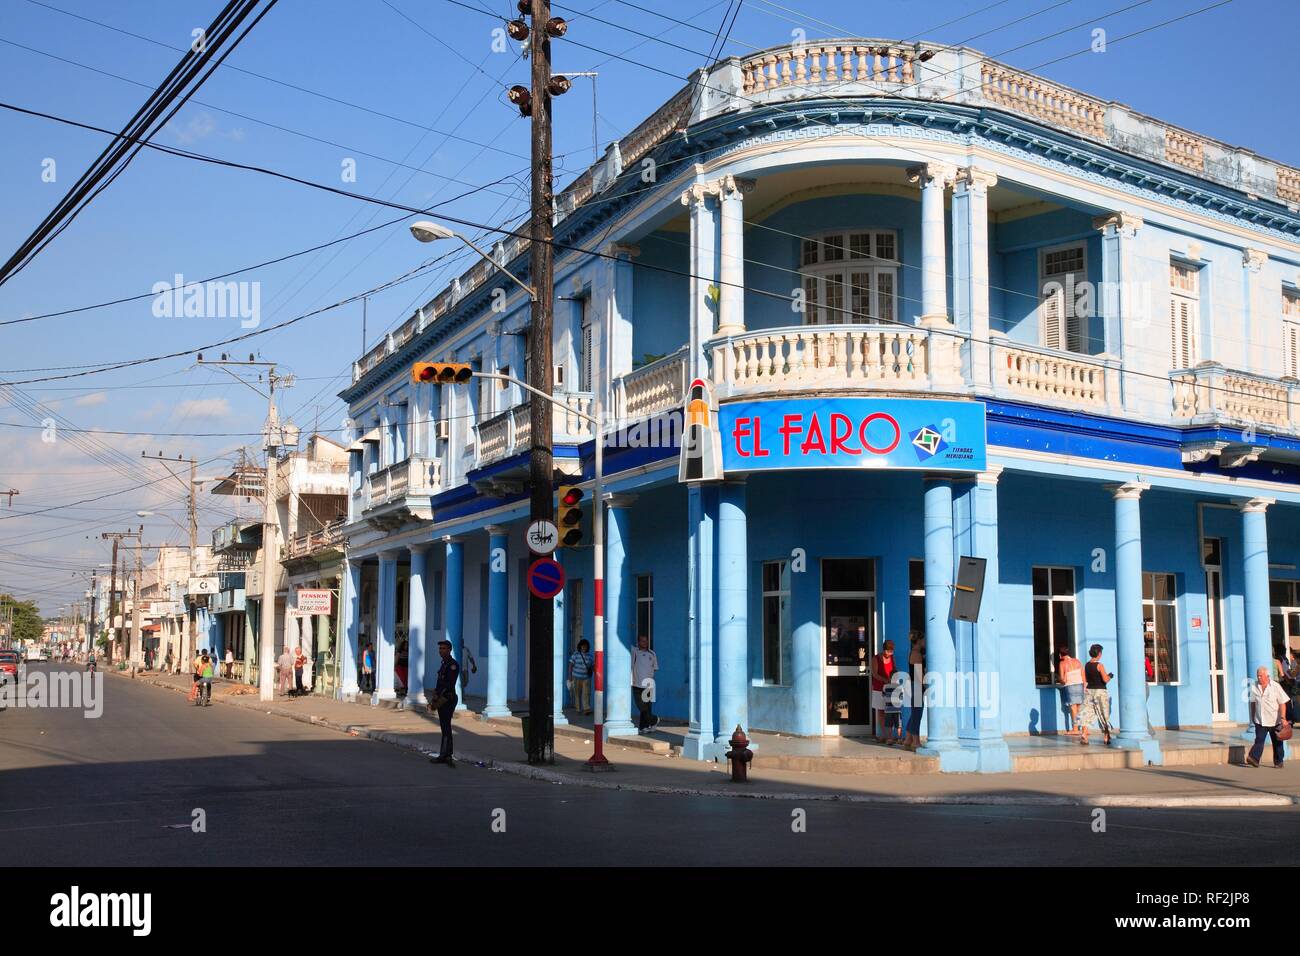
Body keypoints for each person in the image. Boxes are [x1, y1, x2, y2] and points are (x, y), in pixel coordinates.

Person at [1246, 665, 1290, 768]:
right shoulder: (1254, 686)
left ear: (1267, 676)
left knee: (1277, 742)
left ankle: (1279, 761)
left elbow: (1282, 703)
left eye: (1261, 676)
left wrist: (1283, 718)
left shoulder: (1275, 686)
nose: (1259, 678)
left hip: (1275, 720)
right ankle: (1254, 759)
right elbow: (1253, 703)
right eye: (1258, 676)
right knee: (1259, 740)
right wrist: (1253, 716)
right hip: (1260, 719)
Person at [428, 640, 460, 766]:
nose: (441, 650)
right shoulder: (444, 664)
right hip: (442, 697)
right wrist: (435, 694)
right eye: (440, 648)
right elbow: (440, 682)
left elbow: (448, 683)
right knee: (444, 726)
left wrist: (437, 696)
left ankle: (445, 755)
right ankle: (447, 754)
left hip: (448, 698)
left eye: (444, 648)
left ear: (449, 650)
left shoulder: (453, 665)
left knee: (446, 725)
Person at [1080, 644, 1113, 746]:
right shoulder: (1100, 665)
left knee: (1087, 713)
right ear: (1099, 653)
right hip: (1100, 691)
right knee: (1103, 714)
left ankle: (1084, 735)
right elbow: (1105, 679)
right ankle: (1106, 737)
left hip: (1089, 691)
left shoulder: (1087, 665)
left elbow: (1085, 679)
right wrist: (1110, 676)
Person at [870, 639, 896, 744]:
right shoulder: (876, 658)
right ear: (884, 649)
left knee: (889, 712)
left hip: (890, 688)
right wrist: (884, 679)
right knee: (881, 712)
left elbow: (893, 669)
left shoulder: (892, 658)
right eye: (888, 651)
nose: (889, 654)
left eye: (891, 652)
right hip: (878, 688)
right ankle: (884, 735)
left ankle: (889, 736)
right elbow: (875, 674)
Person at [631, 635, 659, 734]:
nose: (644, 643)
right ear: (638, 642)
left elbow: (654, 668)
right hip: (636, 684)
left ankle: (644, 727)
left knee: (646, 708)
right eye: (642, 641)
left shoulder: (652, 654)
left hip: (648, 684)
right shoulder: (635, 652)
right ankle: (654, 720)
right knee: (641, 706)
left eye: (646, 641)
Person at [902, 632, 925, 752]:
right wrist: (924, 685)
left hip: (914, 685)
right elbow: (918, 674)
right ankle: (916, 741)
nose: (926, 642)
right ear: (919, 641)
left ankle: (908, 739)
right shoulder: (916, 654)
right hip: (916, 685)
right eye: (924, 639)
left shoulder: (914, 653)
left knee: (915, 712)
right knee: (917, 713)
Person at [1057, 645, 1085, 736]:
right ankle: (1084, 729)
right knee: (1080, 707)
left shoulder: (1062, 663)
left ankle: (1075, 729)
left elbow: (1062, 679)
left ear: (1060, 655)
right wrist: (1084, 685)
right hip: (1080, 685)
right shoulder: (1077, 661)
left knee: (1073, 708)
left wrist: (1059, 679)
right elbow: (1083, 674)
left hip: (1070, 686)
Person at [568, 639, 593, 715]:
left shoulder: (590, 656)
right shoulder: (575, 654)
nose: (584, 648)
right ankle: (578, 709)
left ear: (587, 647)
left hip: (586, 678)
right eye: (582, 646)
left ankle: (586, 709)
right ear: (580, 646)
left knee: (586, 693)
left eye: (585, 646)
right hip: (576, 677)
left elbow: (592, 666)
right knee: (577, 693)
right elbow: (570, 665)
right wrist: (570, 676)